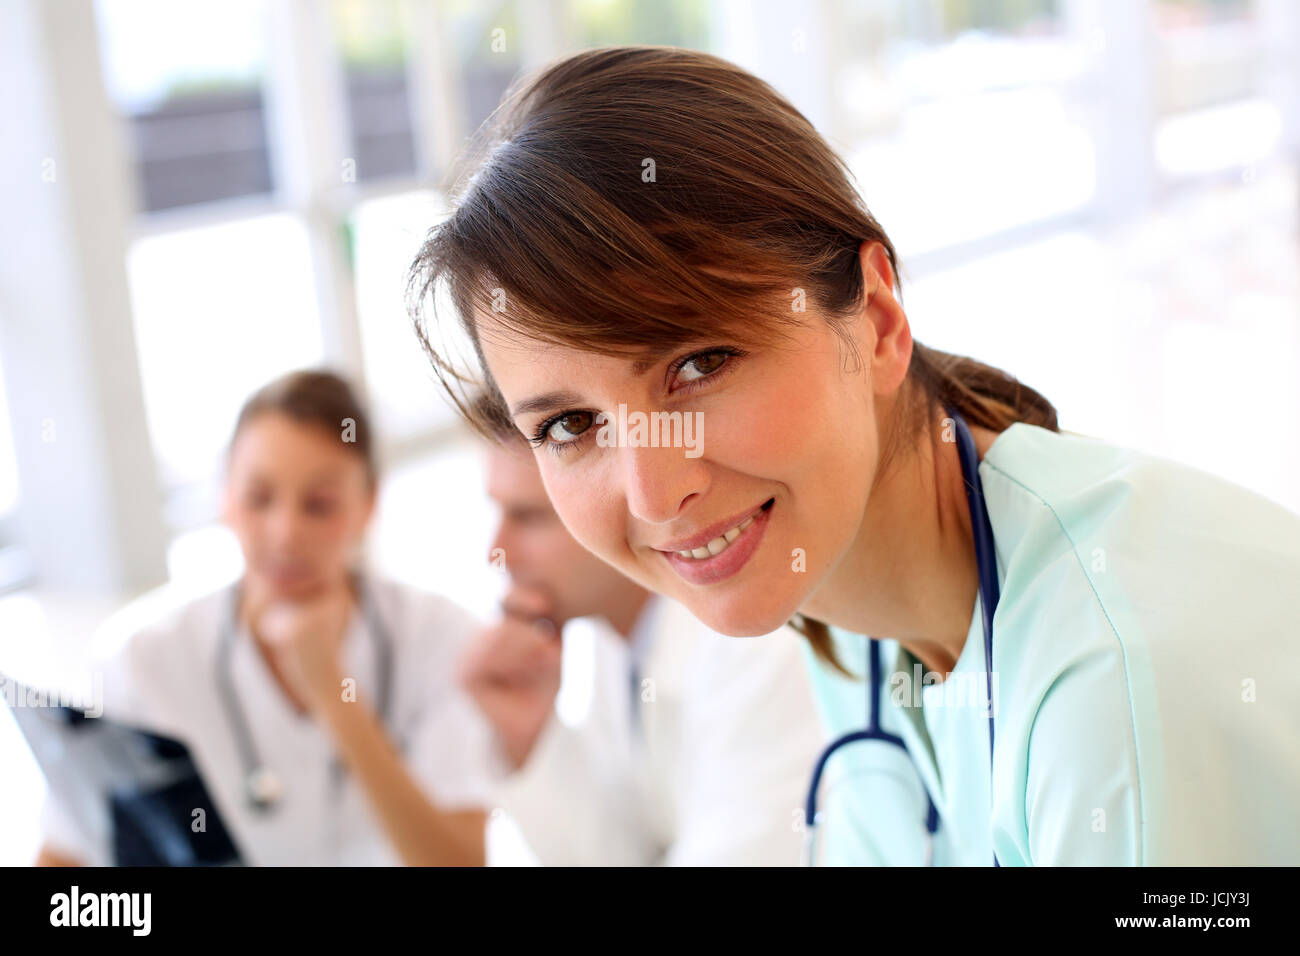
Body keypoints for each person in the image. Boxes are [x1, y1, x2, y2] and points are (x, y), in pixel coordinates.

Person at [406, 46, 1300, 865]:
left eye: (698, 364)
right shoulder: (850, 622)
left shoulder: (1111, 685)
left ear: (875, 320)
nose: (653, 492)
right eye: (570, 425)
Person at [35, 370, 496, 866]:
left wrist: (332, 693)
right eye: (258, 498)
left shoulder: (442, 637)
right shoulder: (141, 658)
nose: (284, 534)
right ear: (224, 500)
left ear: (368, 504)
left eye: (319, 505)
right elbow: (63, 854)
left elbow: (460, 862)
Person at [462, 394, 824, 865]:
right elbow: (622, 855)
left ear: (625, 499)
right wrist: (531, 736)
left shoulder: (757, 647)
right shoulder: (617, 653)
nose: (498, 551)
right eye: (497, 512)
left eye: (529, 517)